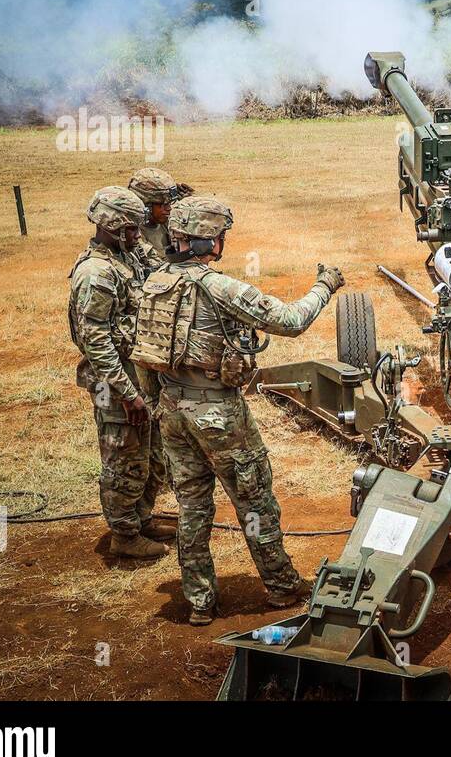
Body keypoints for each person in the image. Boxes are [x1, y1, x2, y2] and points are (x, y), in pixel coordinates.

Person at [132, 195, 345, 624]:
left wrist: (160, 404)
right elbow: (289, 320)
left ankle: (199, 602)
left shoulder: (155, 281)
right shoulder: (217, 287)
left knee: (193, 507)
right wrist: (325, 285)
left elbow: (144, 355)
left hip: (172, 411)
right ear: (209, 241)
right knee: (254, 501)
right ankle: (283, 588)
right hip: (218, 415)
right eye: (221, 236)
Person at [68, 187, 174, 559]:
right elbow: (94, 340)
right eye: (130, 230)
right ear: (110, 226)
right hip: (116, 383)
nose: (136, 236)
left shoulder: (126, 256)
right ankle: (125, 535)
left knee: (152, 454)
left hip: (141, 375)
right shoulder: (96, 273)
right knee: (123, 458)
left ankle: (142, 517)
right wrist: (126, 392)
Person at [128, 167, 192, 257]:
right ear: (145, 204)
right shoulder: (131, 234)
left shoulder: (166, 221)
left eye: (169, 203)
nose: (169, 208)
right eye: (162, 204)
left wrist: (190, 208)